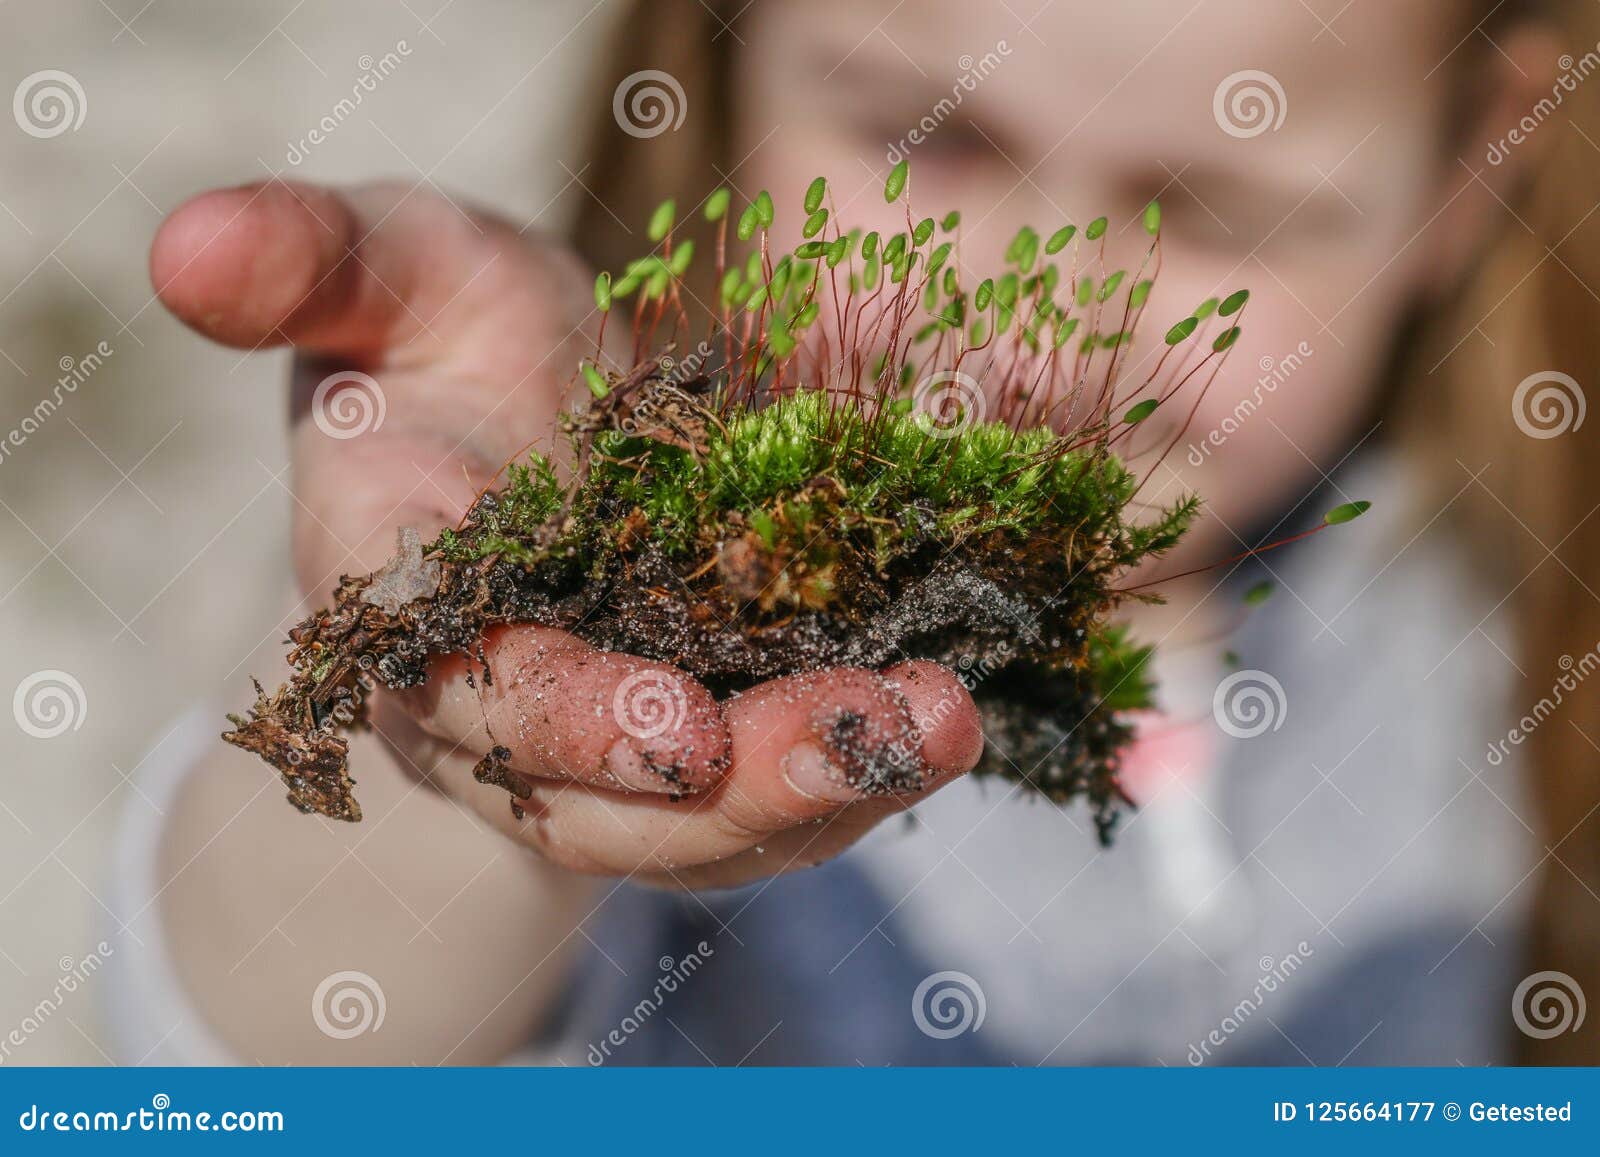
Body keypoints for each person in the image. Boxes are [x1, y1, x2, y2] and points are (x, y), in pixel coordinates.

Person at [116, 0, 1600, 1064]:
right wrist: (453, 705)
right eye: (923, 138)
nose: (1047, 314)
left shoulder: (1495, 598)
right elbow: (302, 1043)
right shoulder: (665, 584)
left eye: (1211, 209)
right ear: (718, 49)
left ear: (1473, 163)